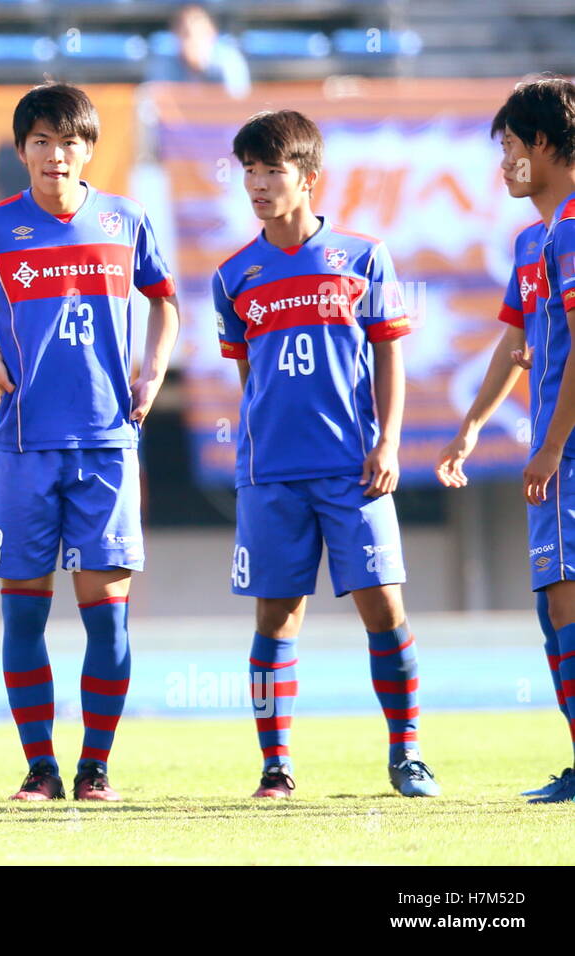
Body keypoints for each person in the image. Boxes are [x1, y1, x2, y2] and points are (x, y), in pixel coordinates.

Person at [0, 83, 181, 802]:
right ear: (22, 150)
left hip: (106, 445)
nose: (54, 155)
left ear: (89, 149)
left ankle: (95, 768)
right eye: (39, 141)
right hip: (25, 447)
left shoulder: (127, 222)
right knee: (24, 611)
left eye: (67, 142)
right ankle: (40, 767)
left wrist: (152, 373)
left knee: (108, 613)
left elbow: (166, 301)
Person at [211, 109, 438, 799]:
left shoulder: (364, 258)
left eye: (271, 170)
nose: (256, 183)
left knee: (384, 609)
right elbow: (250, 376)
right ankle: (275, 767)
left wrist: (389, 441)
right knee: (276, 617)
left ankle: (408, 754)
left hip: (353, 469)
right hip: (271, 475)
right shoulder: (233, 276)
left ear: (308, 178)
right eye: (248, 169)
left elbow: (389, 352)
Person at [440, 79, 575, 804]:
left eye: (511, 147)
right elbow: (515, 341)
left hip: (569, 452)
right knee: (552, 604)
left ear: (546, 146)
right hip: (559, 448)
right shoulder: (532, 240)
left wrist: (552, 444)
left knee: (564, 603)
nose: (504, 164)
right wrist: (470, 427)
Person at [147, 5, 250, 99]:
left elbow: (238, 100)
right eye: (186, 34)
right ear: (175, 35)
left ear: (212, 33)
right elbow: (157, 100)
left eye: (200, 34)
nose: (193, 40)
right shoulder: (165, 63)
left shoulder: (229, 60)